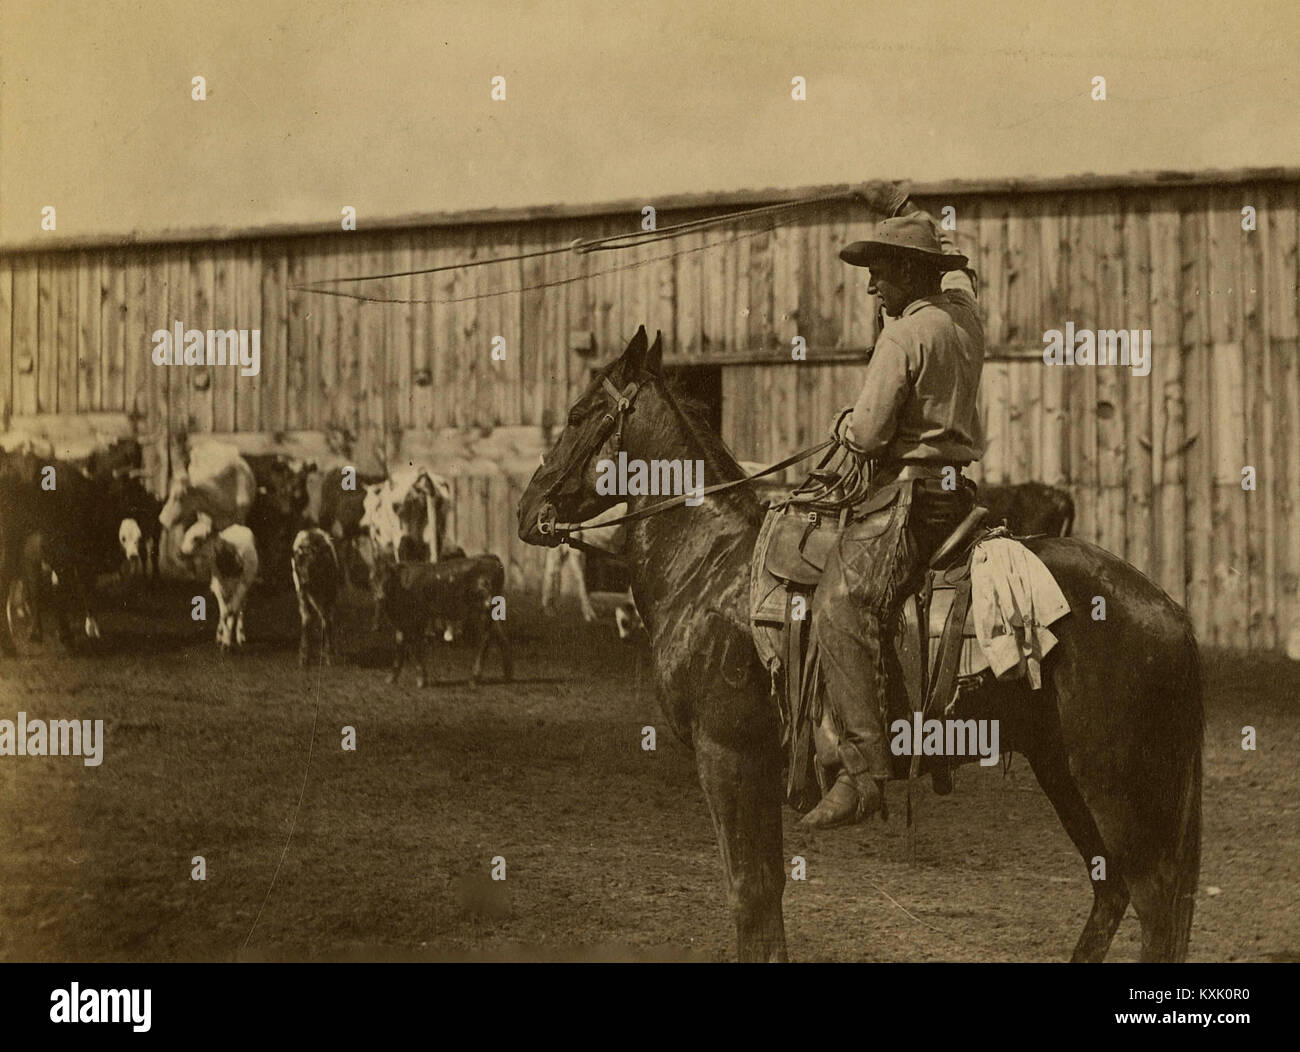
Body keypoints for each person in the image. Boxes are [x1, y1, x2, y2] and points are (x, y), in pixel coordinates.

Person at [801, 203, 985, 829]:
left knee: (838, 607)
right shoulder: (964, 318)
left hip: (911, 504)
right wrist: (921, 219)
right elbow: (962, 279)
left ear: (909, 271)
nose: (871, 285)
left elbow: (871, 433)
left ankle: (863, 774)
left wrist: (842, 427)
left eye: (880, 271)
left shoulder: (902, 336)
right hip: (960, 498)